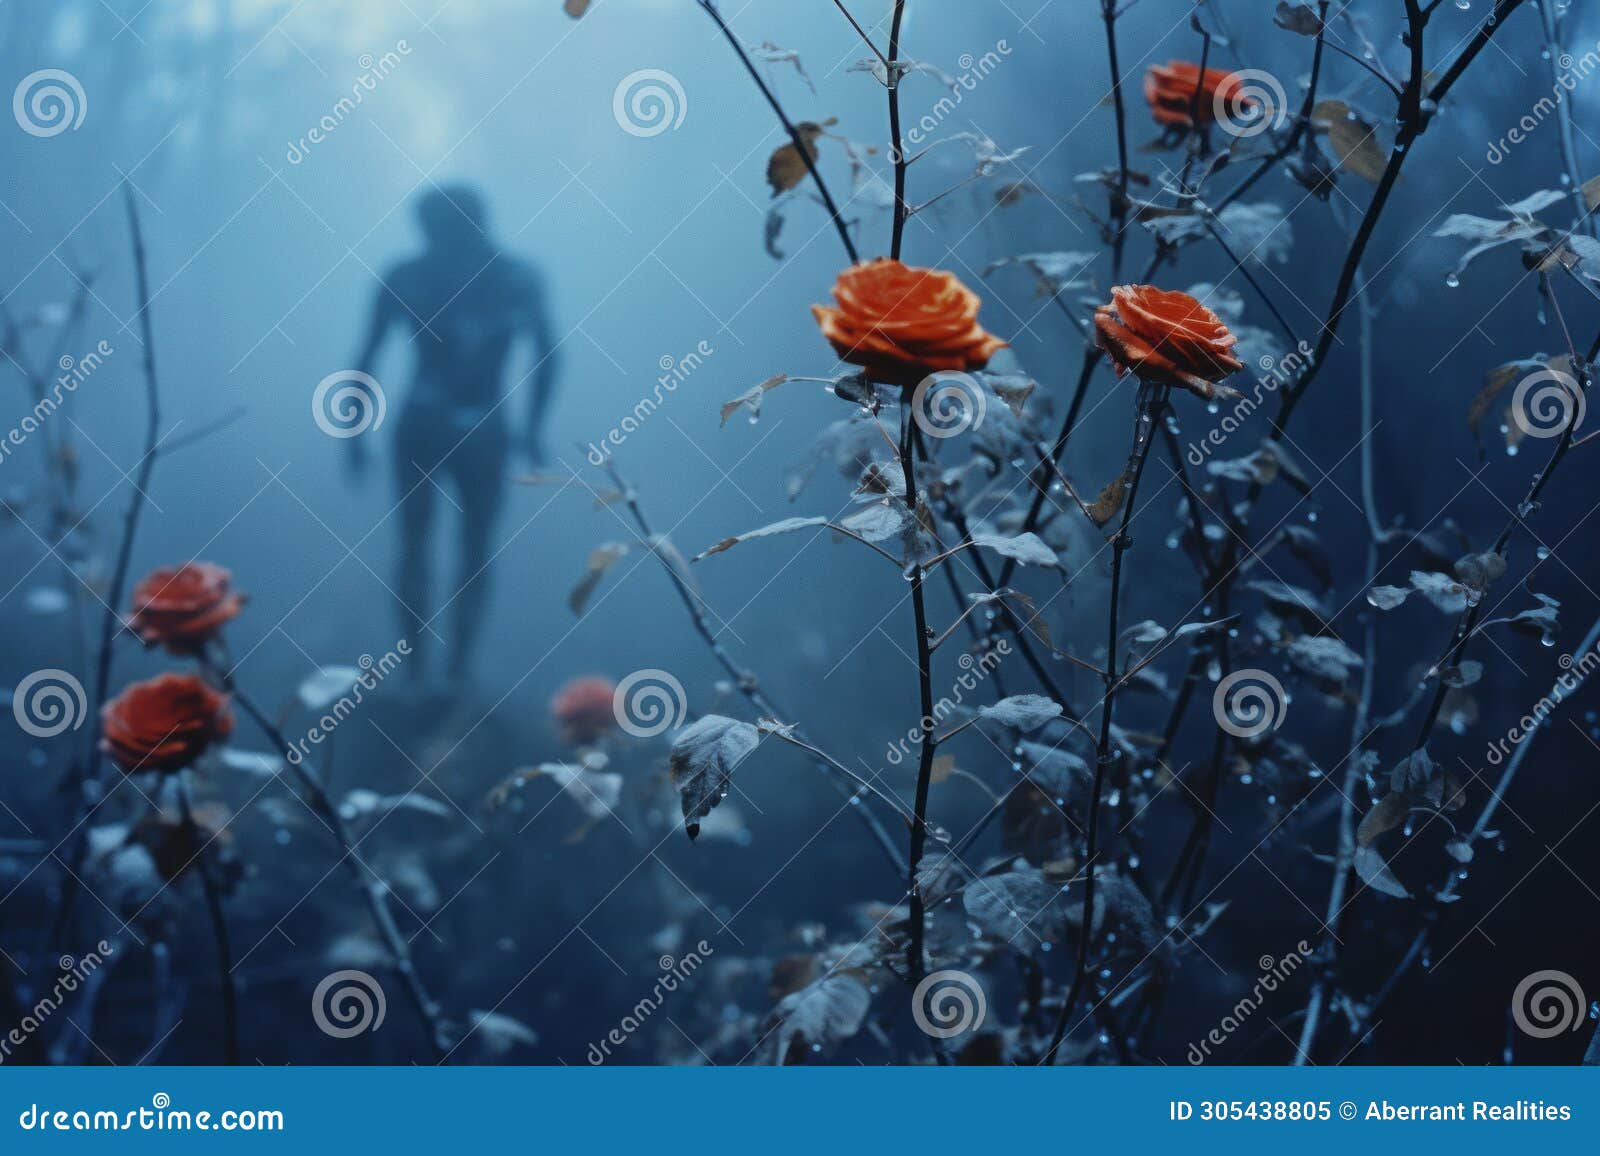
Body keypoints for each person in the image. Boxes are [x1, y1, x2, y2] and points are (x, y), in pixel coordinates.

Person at [347, 183, 558, 681]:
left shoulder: (497, 277)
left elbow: (548, 352)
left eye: (443, 228)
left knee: (460, 547)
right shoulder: (500, 278)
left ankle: (448, 672)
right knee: (435, 546)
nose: (437, 239)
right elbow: (367, 358)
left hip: (451, 423)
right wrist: (532, 429)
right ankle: (427, 673)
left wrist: (534, 427)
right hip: (455, 423)